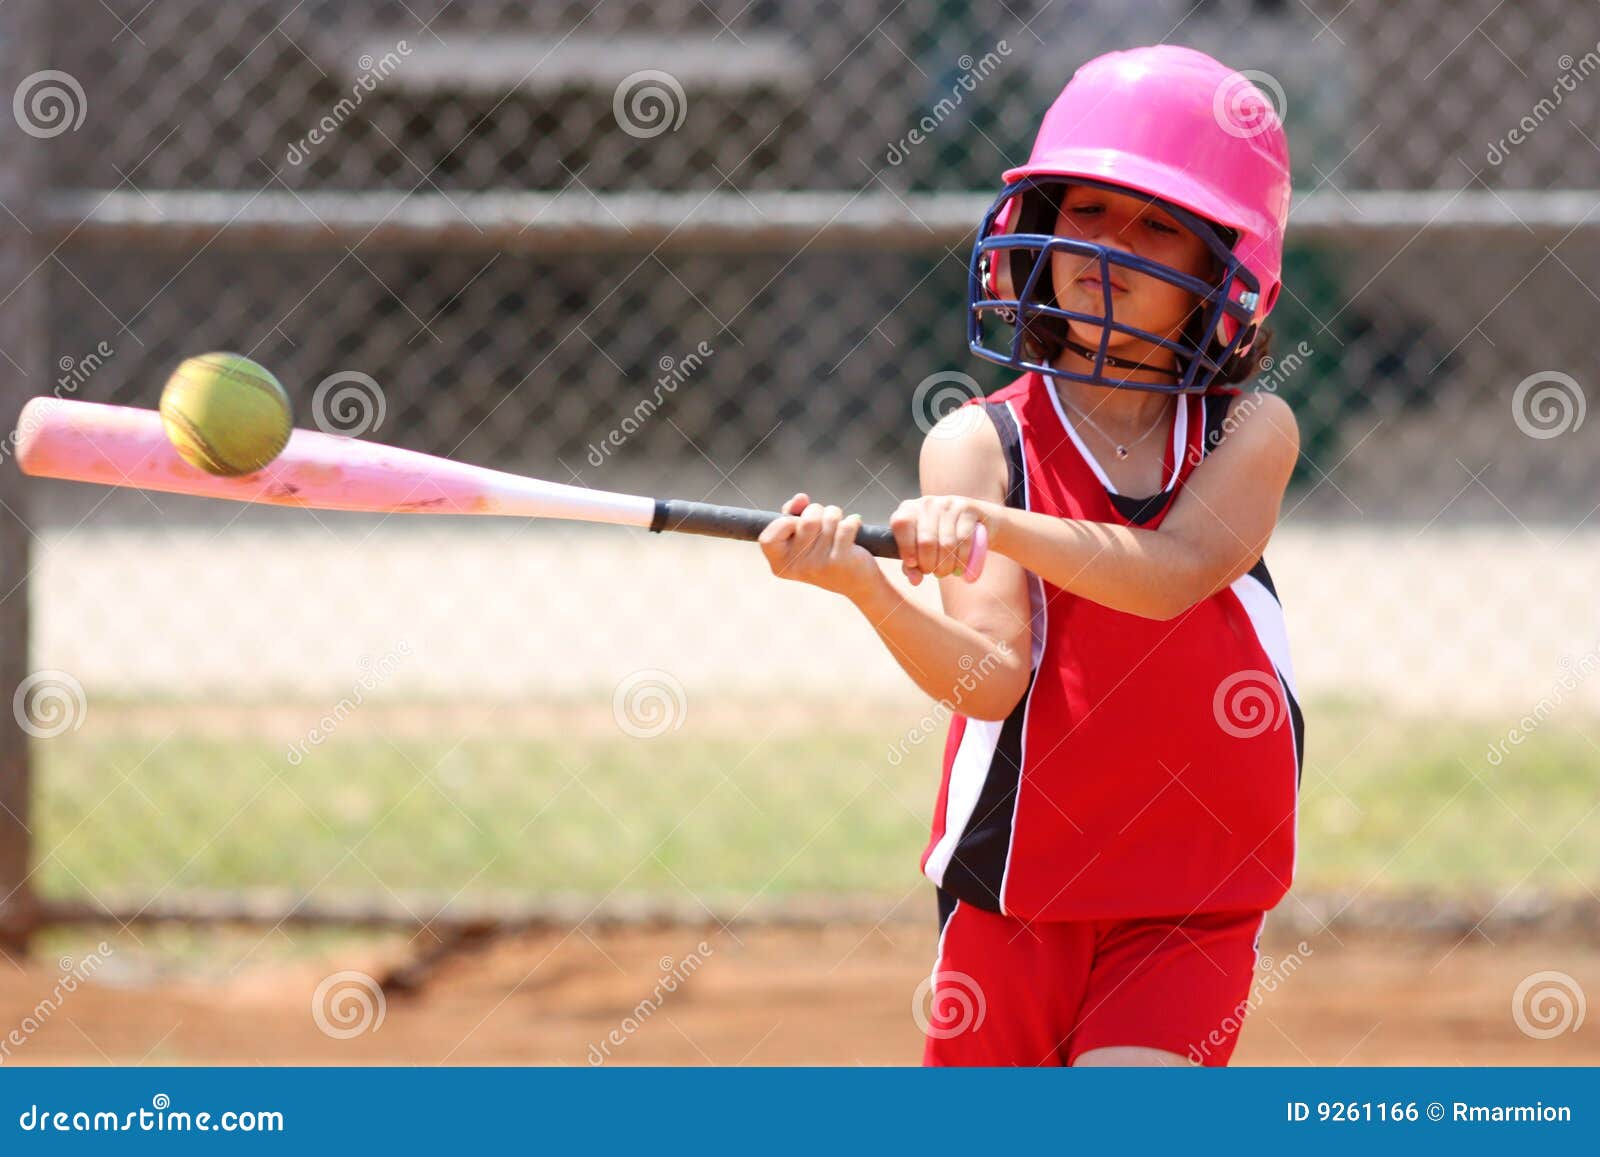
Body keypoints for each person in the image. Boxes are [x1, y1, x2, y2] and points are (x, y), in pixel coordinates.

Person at [759, 45, 1302, 1067]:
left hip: (1196, 884)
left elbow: (1175, 570)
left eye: (1156, 226)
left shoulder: (1247, 430)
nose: (1107, 248)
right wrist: (865, 584)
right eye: (1085, 212)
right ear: (1036, 231)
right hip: (1019, 878)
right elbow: (990, 677)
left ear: (1221, 270)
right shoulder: (977, 444)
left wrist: (994, 528)